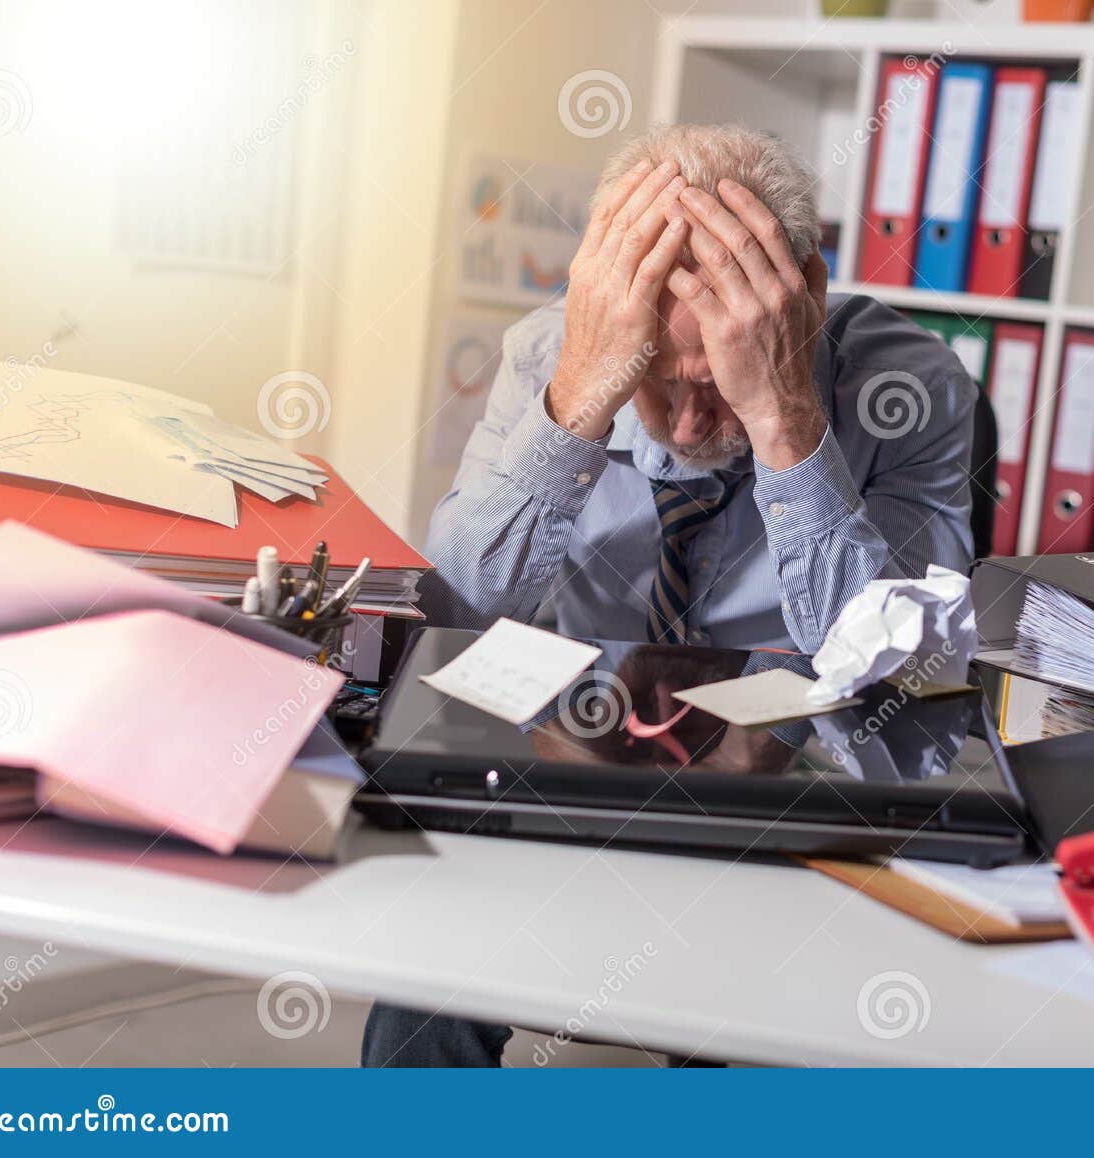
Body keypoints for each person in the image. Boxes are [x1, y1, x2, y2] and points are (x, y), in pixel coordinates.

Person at [363, 124, 977, 1067]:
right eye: (654, 379)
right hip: (569, 755)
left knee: (763, 1001)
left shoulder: (911, 387)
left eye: (719, 384)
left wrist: (784, 423)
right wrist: (579, 398)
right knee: (428, 956)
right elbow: (455, 613)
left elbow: (901, 671)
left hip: (791, 780)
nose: (690, 422)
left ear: (803, 296)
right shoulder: (550, 356)